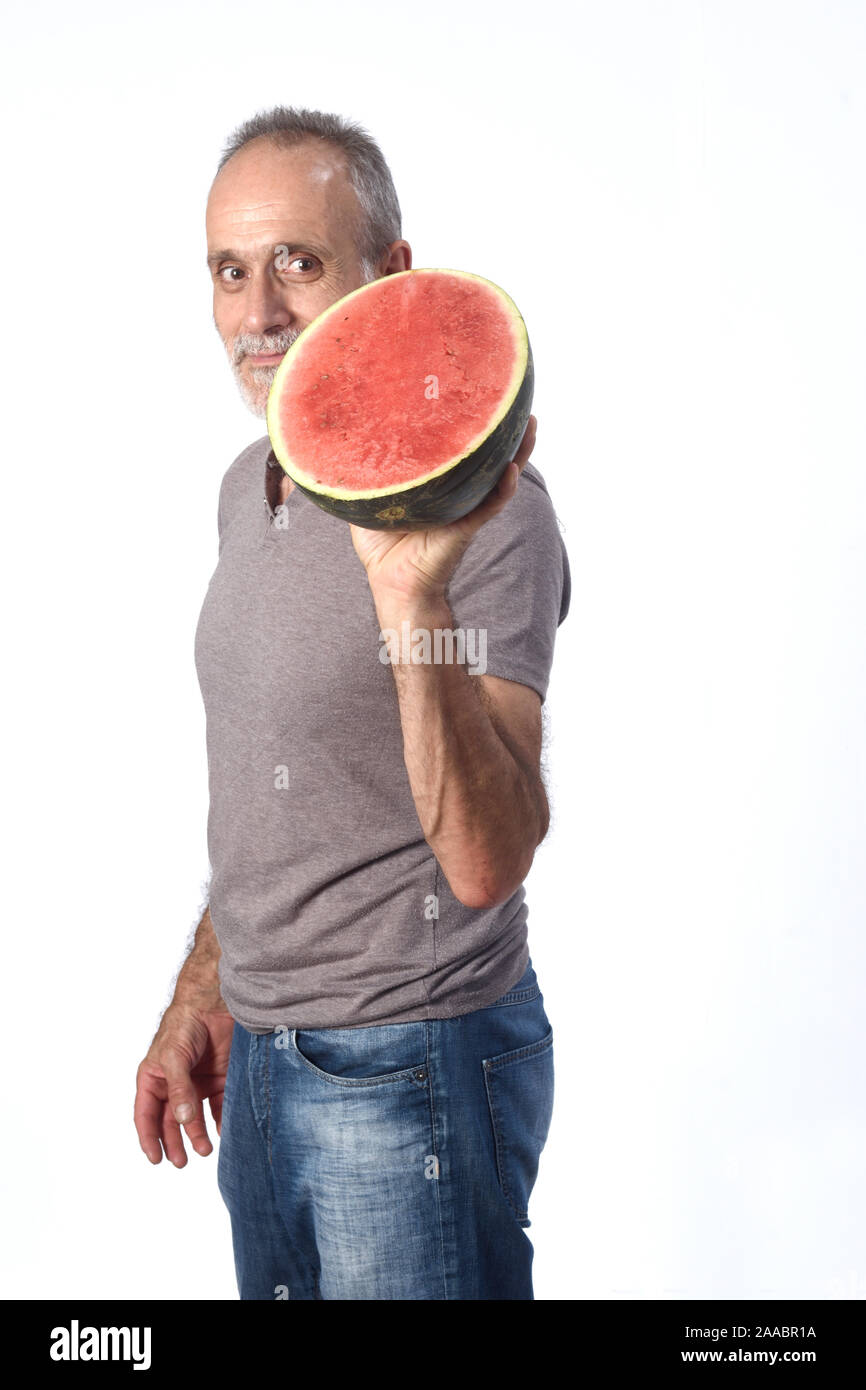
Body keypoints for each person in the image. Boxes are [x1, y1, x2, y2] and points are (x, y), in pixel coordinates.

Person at [134, 106, 570, 1300]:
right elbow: (282, 776)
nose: (258, 313)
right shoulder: (247, 486)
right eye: (230, 270)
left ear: (390, 278)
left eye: (297, 263)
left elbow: (486, 861)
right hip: (266, 1069)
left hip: (410, 1059)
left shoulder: (492, 517)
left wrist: (408, 597)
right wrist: (205, 994)